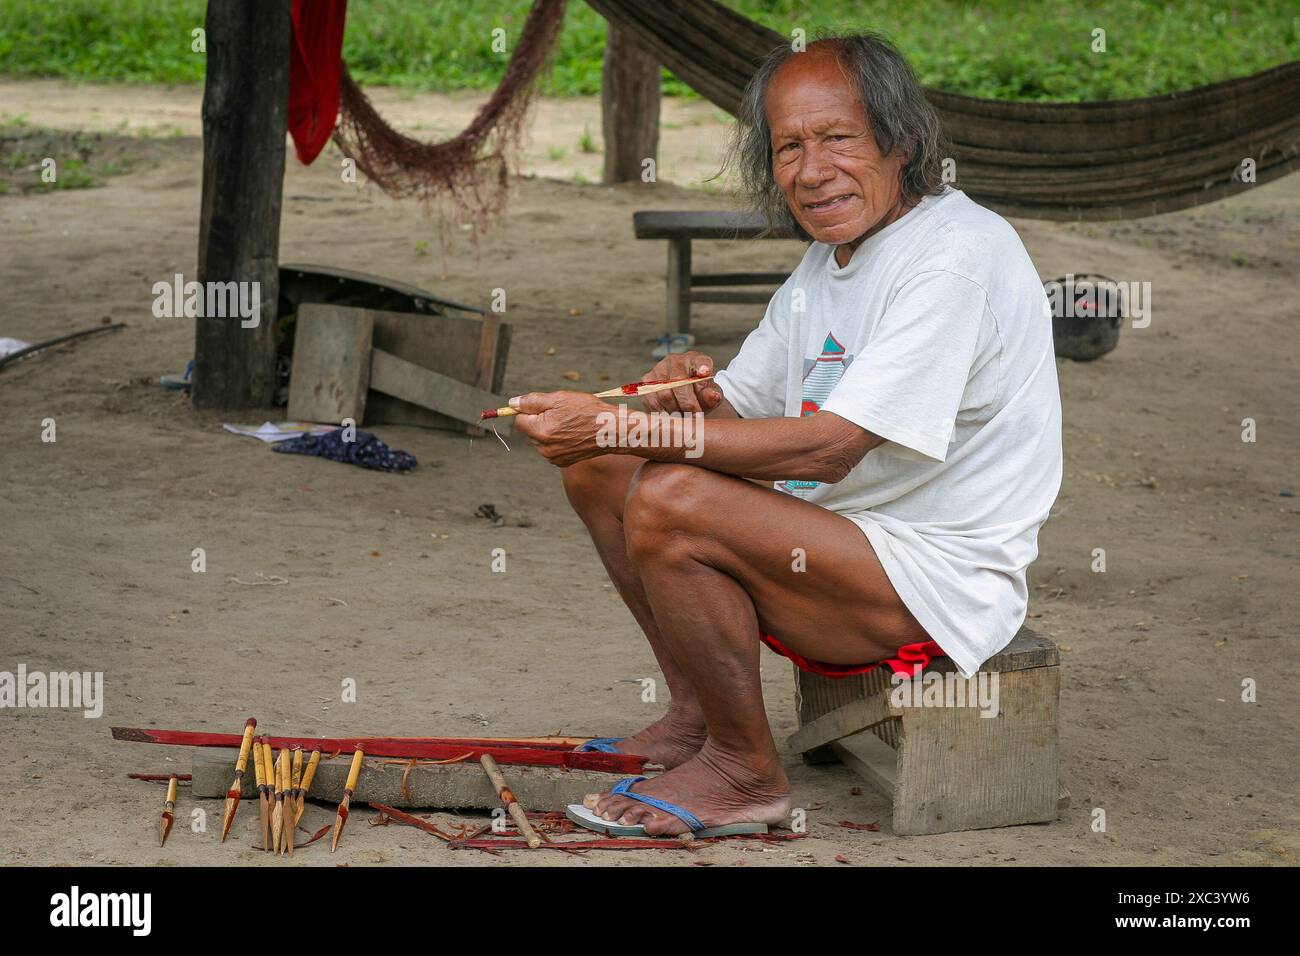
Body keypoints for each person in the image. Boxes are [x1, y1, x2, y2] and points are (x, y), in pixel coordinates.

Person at [509, 34, 1063, 836]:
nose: (811, 170)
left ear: (901, 142)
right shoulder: (832, 259)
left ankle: (746, 774)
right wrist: (679, 401)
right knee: (605, 468)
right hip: (838, 541)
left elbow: (826, 448)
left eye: (838, 138)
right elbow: (735, 412)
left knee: (668, 495)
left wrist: (628, 426)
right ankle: (699, 719)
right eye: (789, 148)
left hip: (931, 582)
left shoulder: (953, 258)